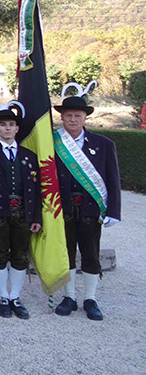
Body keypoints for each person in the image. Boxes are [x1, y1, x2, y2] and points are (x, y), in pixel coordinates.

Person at [53, 85, 121, 321]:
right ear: (62, 117)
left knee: (91, 254)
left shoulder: (103, 144)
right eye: (68, 115)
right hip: (63, 208)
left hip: (91, 209)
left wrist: (113, 211)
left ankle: (90, 299)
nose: (73, 119)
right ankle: (69, 296)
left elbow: (113, 180)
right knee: (67, 253)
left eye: (77, 116)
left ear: (85, 118)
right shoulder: (53, 143)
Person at [0, 103, 42, 319]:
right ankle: (2, 296)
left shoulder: (29, 156)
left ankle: (15, 296)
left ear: (16, 129)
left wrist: (36, 217)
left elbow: (36, 190)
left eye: (11, 125)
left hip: (23, 214)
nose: (7, 128)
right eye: (2, 125)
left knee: (20, 256)